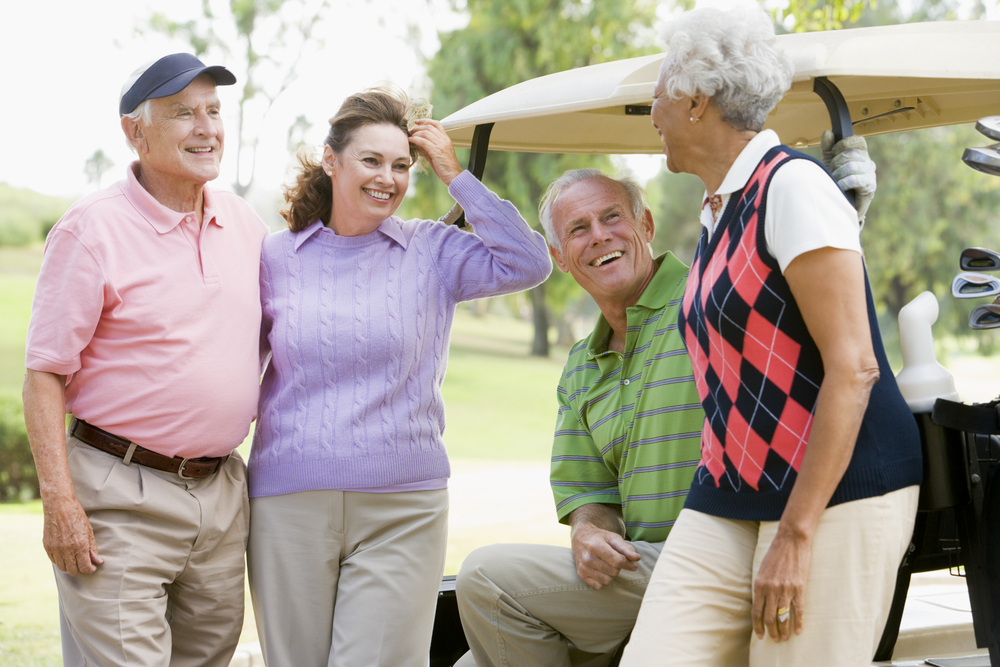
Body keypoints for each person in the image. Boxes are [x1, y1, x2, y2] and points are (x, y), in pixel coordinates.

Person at [454, 135, 877, 666]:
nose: (599, 237)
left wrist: (846, 207)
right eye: (578, 230)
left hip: (715, 553)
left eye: (612, 218)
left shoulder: (708, 299)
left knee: (485, 577)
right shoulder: (581, 367)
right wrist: (589, 532)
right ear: (560, 258)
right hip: (639, 570)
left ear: (646, 227)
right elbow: (590, 490)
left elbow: (799, 302)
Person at [620, 7, 922, 666]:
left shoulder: (793, 186)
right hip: (728, 490)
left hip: (838, 490)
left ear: (697, 101)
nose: (653, 114)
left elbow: (855, 367)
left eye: (660, 95)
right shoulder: (717, 209)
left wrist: (795, 531)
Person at [245, 85, 552, 667]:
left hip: (403, 507)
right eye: (371, 160)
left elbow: (529, 261)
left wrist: (454, 175)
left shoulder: (432, 249)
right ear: (332, 161)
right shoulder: (275, 257)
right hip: (289, 502)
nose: (387, 177)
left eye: (401, 165)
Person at [22, 53, 268, 667]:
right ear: (135, 131)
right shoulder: (90, 230)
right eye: (183, 113)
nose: (207, 128)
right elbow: (44, 375)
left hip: (219, 495)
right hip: (117, 497)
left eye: (214, 111)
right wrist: (60, 503)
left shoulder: (244, 223)